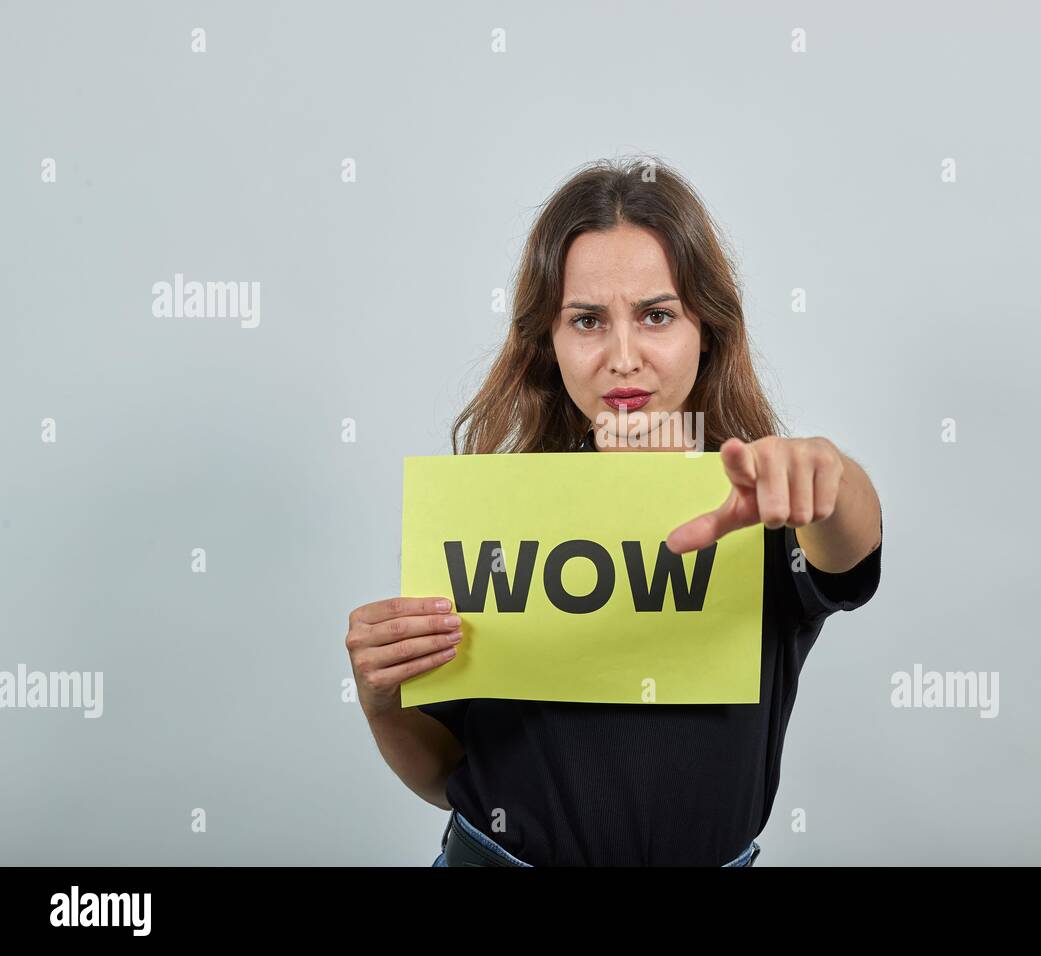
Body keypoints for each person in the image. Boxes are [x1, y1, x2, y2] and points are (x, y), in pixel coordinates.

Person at [345, 156, 883, 866]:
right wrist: (383, 701)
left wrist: (828, 474)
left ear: (707, 331)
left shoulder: (765, 503)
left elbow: (850, 552)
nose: (622, 357)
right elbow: (449, 777)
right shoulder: (492, 514)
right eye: (588, 320)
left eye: (657, 316)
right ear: (551, 343)